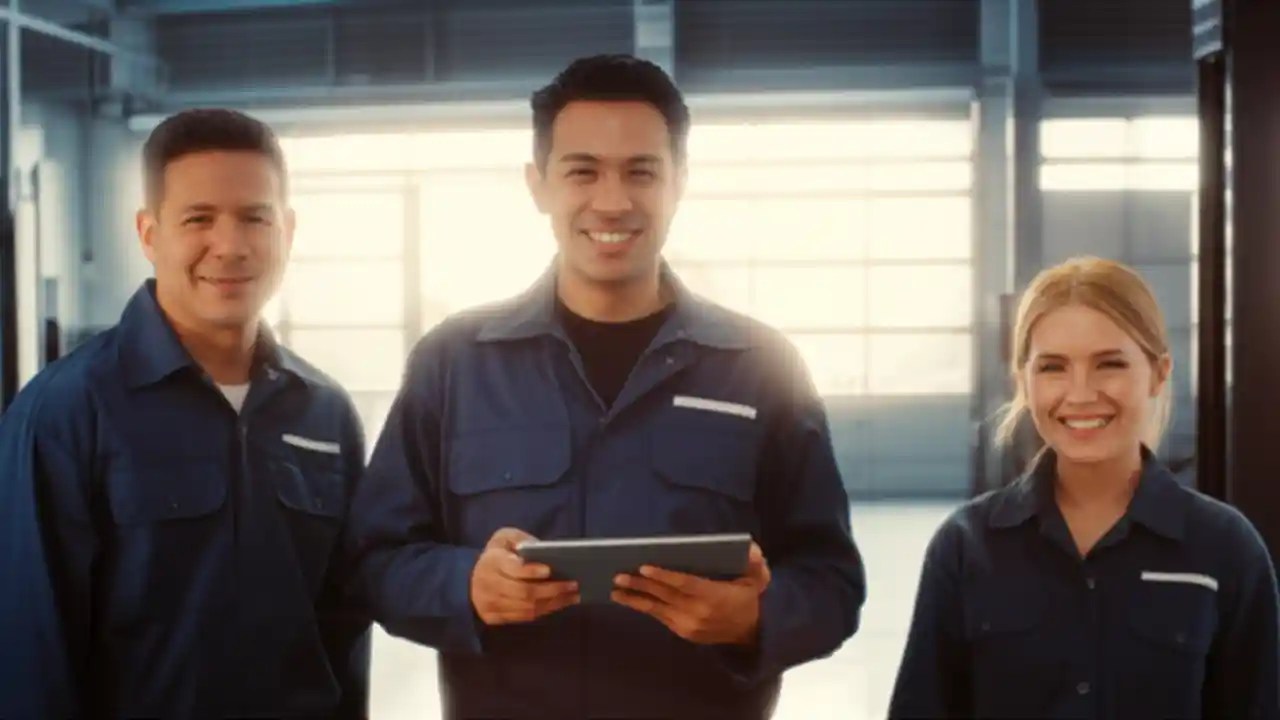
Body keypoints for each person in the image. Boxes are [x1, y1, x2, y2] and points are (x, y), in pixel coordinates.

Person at [346, 54, 865, 719]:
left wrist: (754, 617)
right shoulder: (453, 363)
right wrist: (463, 587)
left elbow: (832, 581)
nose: (612, 200)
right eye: (582, 170)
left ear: (680, 182)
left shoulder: (762, 364)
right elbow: (375, 562)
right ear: (539, 185)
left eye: (641, 171)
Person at [0, 109, 371, 718]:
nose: (230, 245)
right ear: (149, 234)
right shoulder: (64, 412)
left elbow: (345, 630)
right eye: (199, 218)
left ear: (288, 230)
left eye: (256, 217)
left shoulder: (324, 414)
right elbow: (29, 654)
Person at [888, 256, 1279, 719]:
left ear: (1158, 372)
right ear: (1023, 381)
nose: (1080, 393)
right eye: (1053, 367)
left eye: (1109, 364)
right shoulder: (965, 547)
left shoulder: (1226, 548)